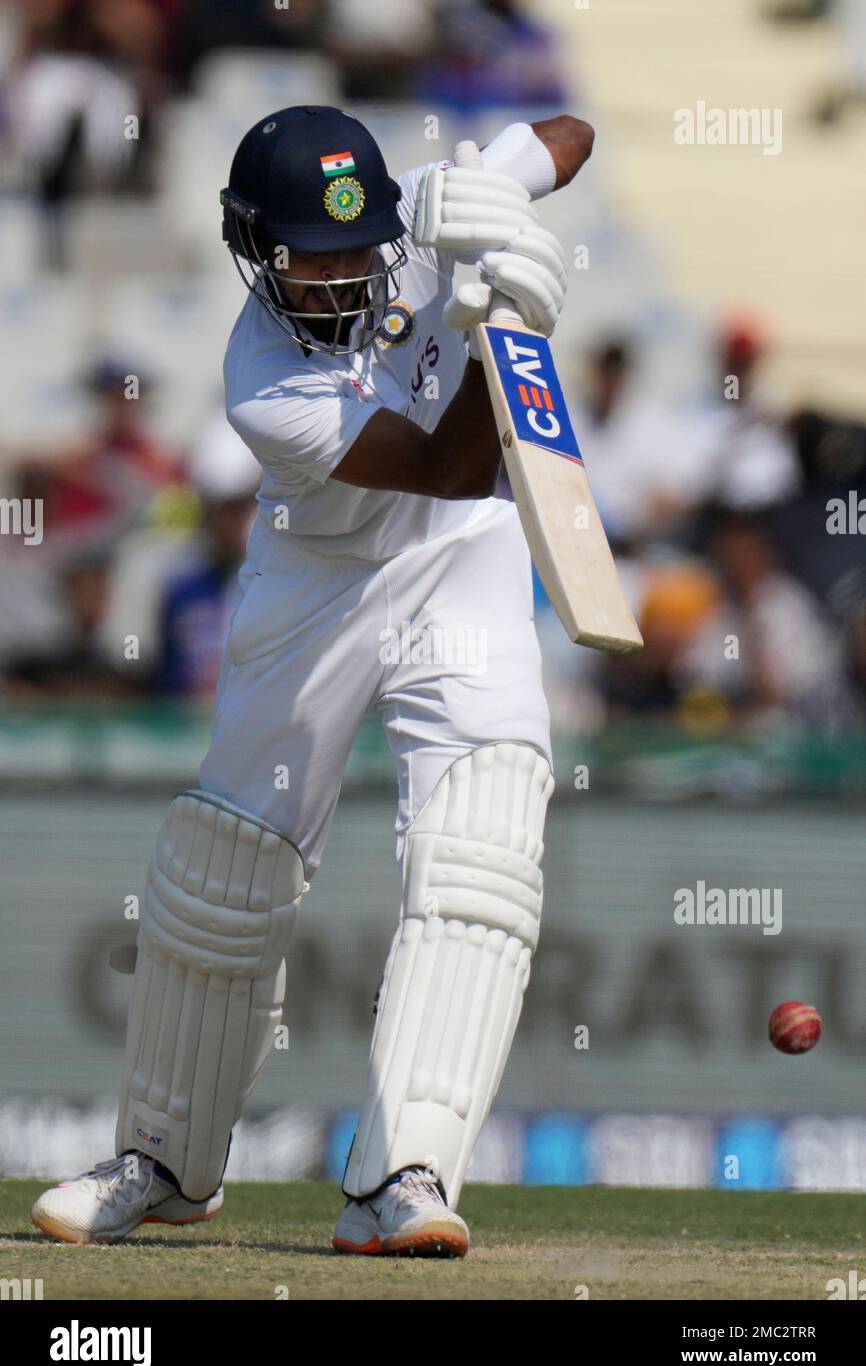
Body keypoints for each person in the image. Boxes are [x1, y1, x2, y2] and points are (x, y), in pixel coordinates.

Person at [31, 105, 592, 1256]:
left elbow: (572, 132)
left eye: (356, 249)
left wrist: (497, 198)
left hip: (462, 562)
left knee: (482, 843)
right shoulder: (260, 382)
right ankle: (166, 1161)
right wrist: (509, 321)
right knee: (224, 869)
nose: (340, 277)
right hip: (321, 571)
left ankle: (404, 1176)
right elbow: (443, 461)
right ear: (254, 249)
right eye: (309, 256)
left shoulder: (424, 222)